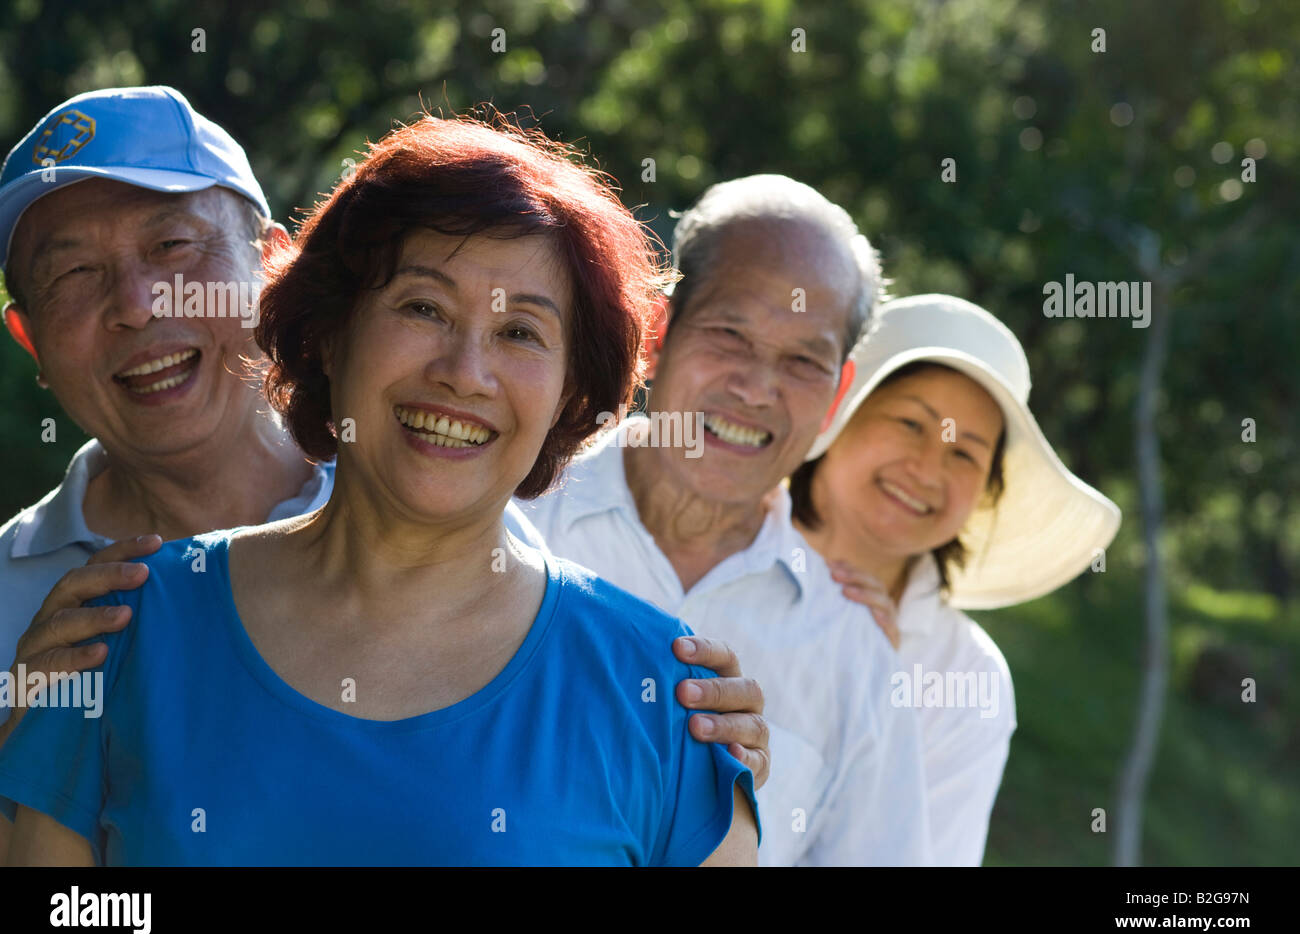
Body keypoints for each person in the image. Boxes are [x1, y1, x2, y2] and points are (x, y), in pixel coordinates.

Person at [0, 98, 761, 863]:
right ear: (329, 332)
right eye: (422, 307)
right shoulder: (115, 633)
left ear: (572, 389)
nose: (465, 373)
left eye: (521, 331)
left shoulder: (664, 696)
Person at [516, 174, 933, 866]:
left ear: (837, 399)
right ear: (656, 334)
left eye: (803, 360)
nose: (755, 387)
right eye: (729, 334)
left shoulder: (855, 658)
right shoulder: (505, 513)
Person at [790, 293, 1121, 865]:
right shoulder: (711, 544)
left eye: (965, 454)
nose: (927, 469)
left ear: (987, 491)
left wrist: (871, 704)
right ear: (839, 411)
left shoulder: (967, 677)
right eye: (910, 423)